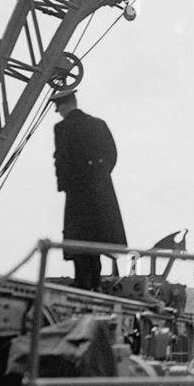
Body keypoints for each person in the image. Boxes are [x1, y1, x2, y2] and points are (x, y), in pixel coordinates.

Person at [51, 90, 126, 291]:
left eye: (58, 108)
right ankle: (94, 282)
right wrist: (99, 178)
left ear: (65, 106)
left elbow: (61, 161)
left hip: (77, 194)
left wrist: (67, 185)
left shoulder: (62, 128)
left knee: (78, 241)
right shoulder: (98, 124)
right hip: (100, 193)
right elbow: (112, 154)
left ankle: (83, 283)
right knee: (96, 241)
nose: (58, 112)